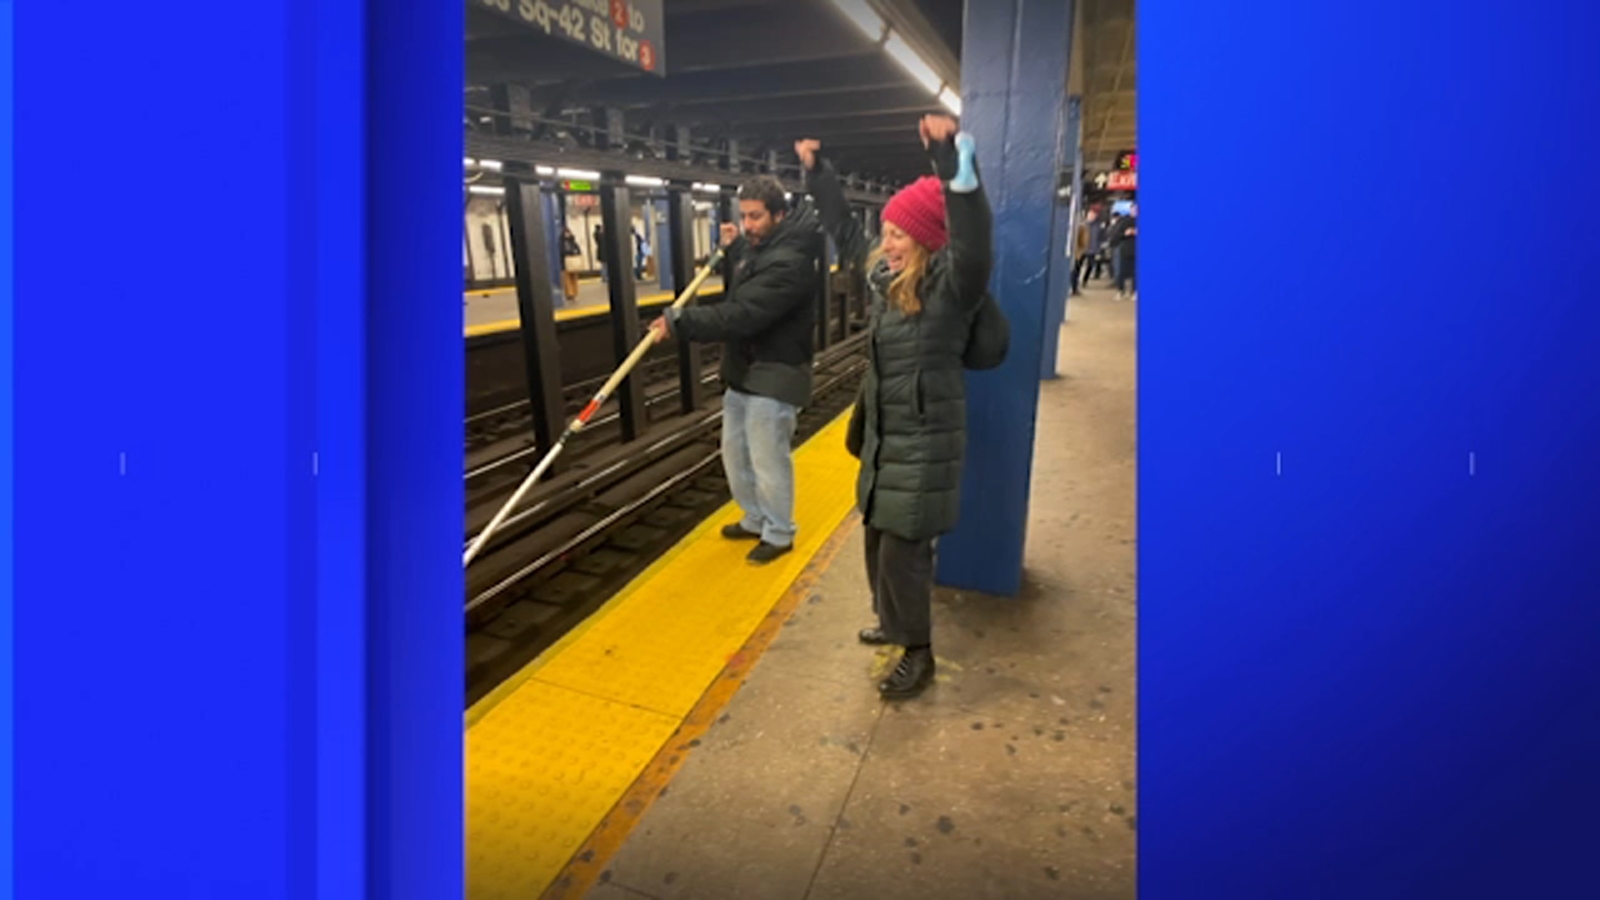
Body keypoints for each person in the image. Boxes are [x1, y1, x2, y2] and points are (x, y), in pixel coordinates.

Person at [797, 114, 993, 699]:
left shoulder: (951, 288)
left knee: (903, 557)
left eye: (899, 234)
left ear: (927, 240)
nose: (886, 243)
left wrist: (949, 159)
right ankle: (891, 622)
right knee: (877, 543)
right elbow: (845, 232)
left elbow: (974, 238)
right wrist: (819, 174)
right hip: (886, 440)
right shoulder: (886, 281)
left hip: (926, 444)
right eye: (886, 232)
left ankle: (918, 652)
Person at [647, 176, 820, 564]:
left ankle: (779, 532)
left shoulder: (792, 263)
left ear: (779, 215)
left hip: (775, 373)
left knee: (767, 459)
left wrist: (679, 321)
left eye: (756, 217)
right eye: (744, 216)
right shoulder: (761, 249)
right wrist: (737, 246)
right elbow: (755, 269)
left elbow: (743, 313)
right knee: (736, 454)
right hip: (745, 369)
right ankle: (755, 518)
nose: (748, 224)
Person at [1112, 203, 1137, 300]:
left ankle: (1134, 291)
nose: (1134, 211)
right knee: (1121, 272)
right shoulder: (1124, 221)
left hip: (1137, 250)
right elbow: (1116, 235)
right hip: (1125, 249)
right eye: (1133, 209)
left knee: (1136, 272)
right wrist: (1125, 233)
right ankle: (1120, 291)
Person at [560, 226, 582, 303]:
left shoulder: (573, 242)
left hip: (573, 263)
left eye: (568, 232)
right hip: (565, 263)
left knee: (574, 278)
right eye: (566, 233)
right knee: (567, 279)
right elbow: (562, 252)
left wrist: (576, 252)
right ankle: (570, 294)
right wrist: (571, 252)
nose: (568, 234)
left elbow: (578, 250)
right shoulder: (561, 243)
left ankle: (574, 293)